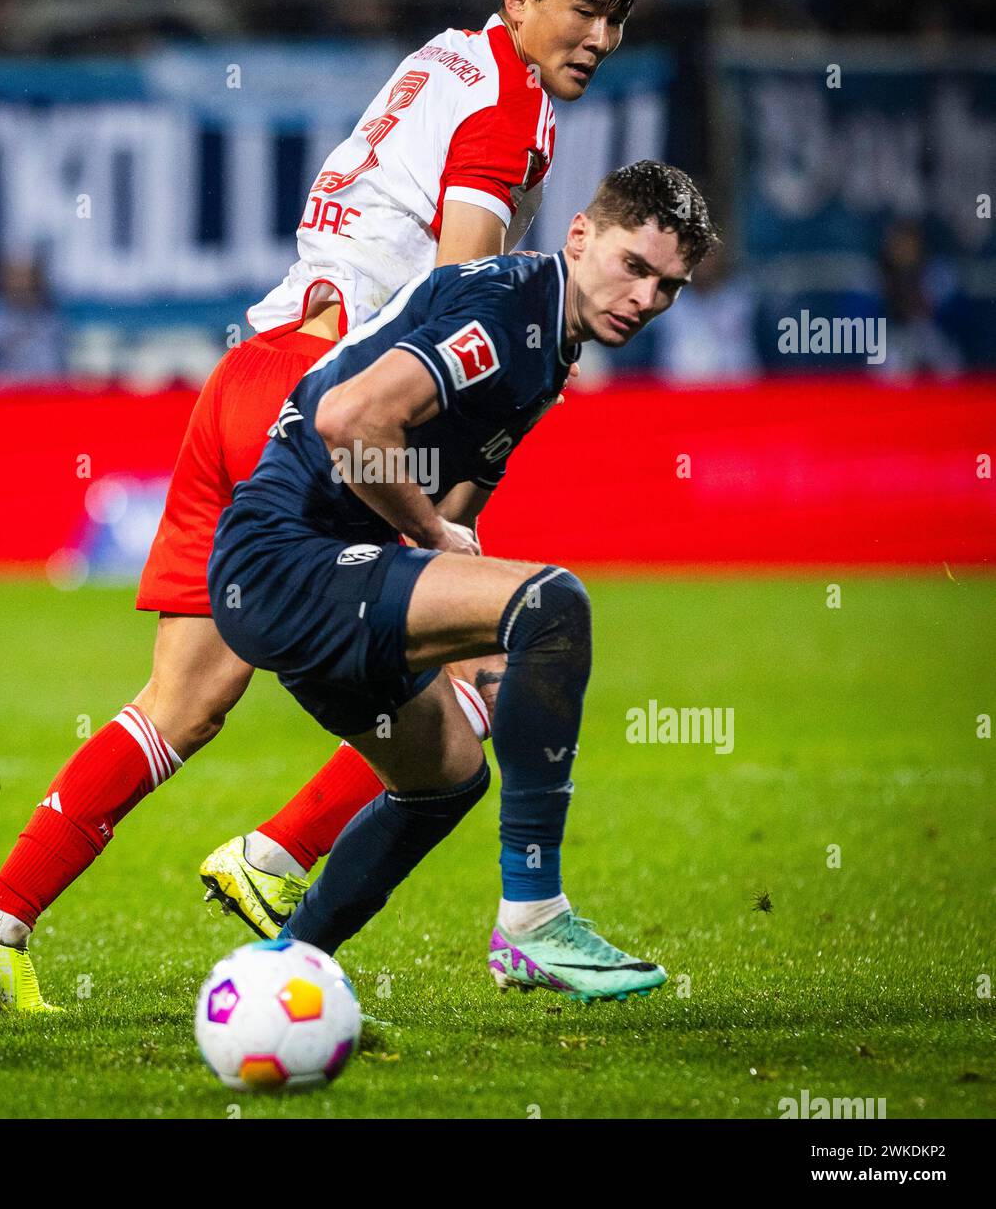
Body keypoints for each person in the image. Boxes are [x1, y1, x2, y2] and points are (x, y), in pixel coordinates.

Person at [0, 0, 641, 1012]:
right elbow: (460, 291)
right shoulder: (512, 109)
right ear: (521, 0)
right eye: (583, 10)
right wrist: (457, 473)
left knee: (183, 700)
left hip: (250, 369)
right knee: (493, 658)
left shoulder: (443, 61)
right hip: (319, 408)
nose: (599, 38)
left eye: (616, 21)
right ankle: (286, 861)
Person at [209, 161, 718, 1000]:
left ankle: (275, 979)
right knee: (553, 607)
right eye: (635, 267)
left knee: (444, 779)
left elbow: (455, 490)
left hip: (321, 569)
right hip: (289, 560)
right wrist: (429, 533)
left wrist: (449, 541)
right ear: (581, 235)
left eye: (669, 287)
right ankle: (534, 919)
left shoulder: (550, 344)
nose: (647, 299)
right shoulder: (511, 310)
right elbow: (350, 419)